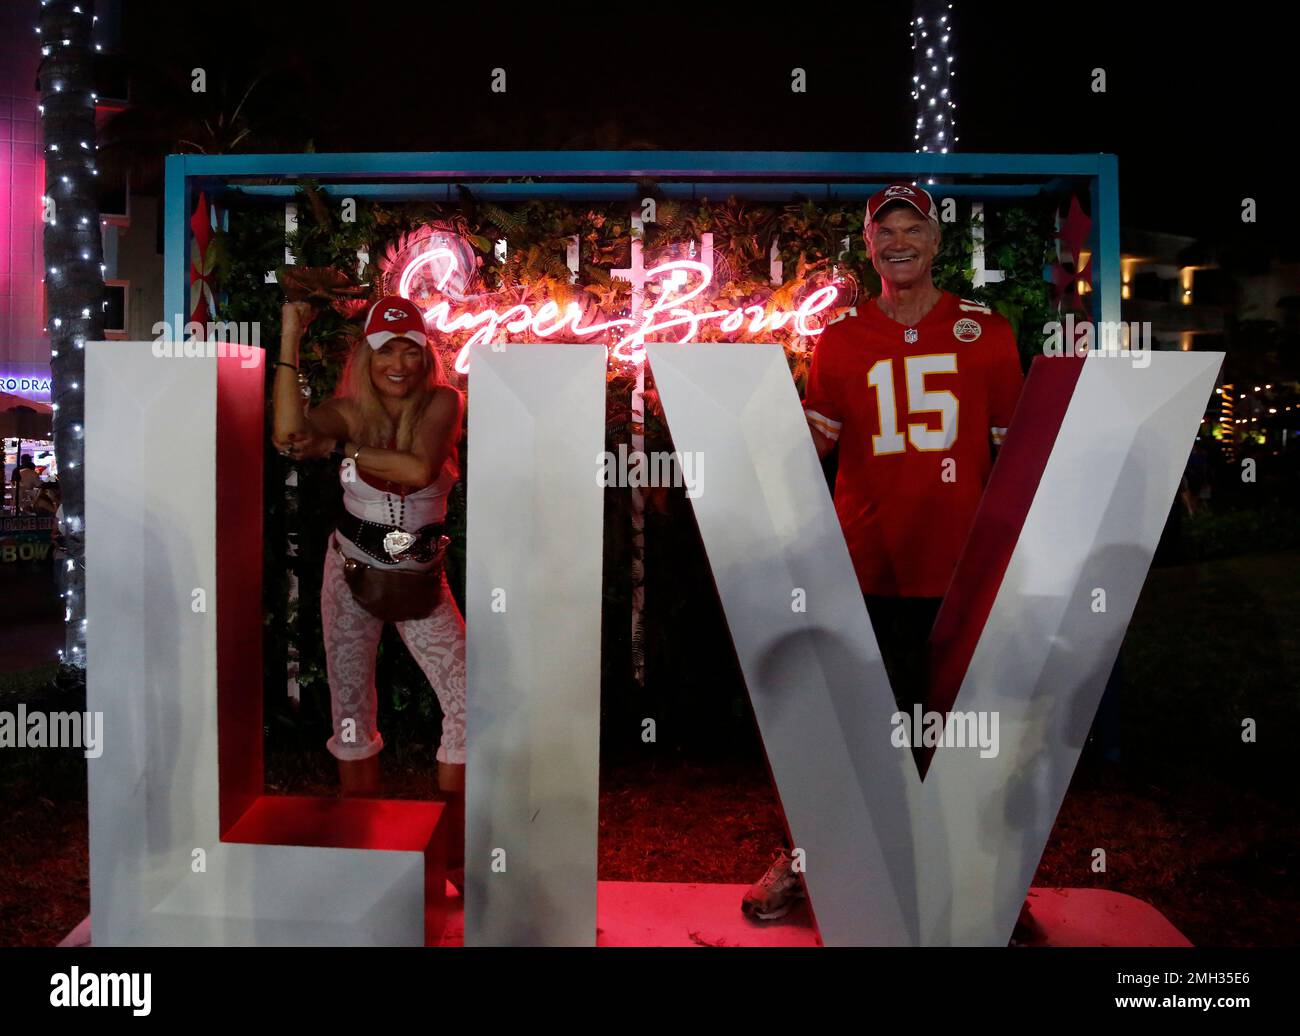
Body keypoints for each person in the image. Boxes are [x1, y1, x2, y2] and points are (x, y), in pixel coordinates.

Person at [741, 184, 1026, 923]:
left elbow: (1015, 463)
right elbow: (815, 448)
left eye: (913, 229)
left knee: (968, 738)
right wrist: (738, 446)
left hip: (961, 572)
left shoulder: (987, 332)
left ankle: (986, 884)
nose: (899, 242)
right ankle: (806, 861)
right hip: (862, 569)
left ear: (936, 241)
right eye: (884, 232)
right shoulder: (839, 338)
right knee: (840, 732)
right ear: (868, 246)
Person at [271, 294, 467, 865]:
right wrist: (290, 333)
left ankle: (453, 853)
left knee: (468, 697)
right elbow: (288, 435)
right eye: (386, 351)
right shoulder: (349, 408)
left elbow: (417, 469)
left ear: (426, 356)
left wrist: (342, 448)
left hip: (422, 580)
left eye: (410, 350)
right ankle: (367, 851)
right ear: (367, 357)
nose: (398, 364)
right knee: (351, 706)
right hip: (351, 571)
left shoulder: (442, 402)